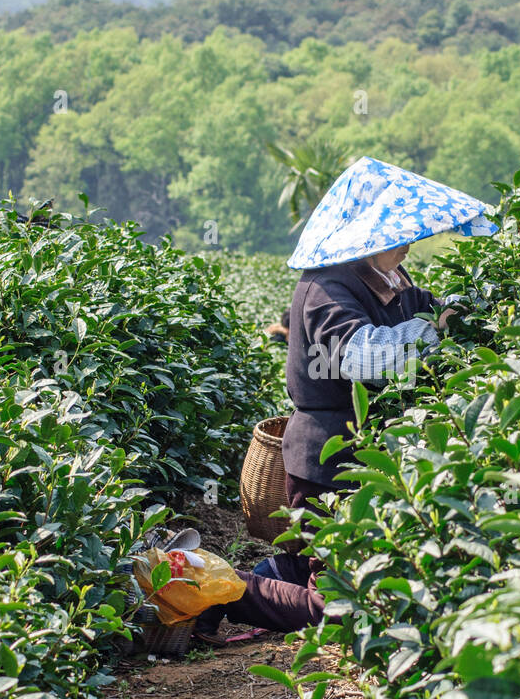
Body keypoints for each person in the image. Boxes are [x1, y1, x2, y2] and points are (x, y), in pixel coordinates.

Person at [194, 156, 495, 641]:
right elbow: (364, 358)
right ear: (365, 235)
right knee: (342, 608)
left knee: (335, 561)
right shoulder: (325, 287)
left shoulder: (391, 282)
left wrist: (463, 314)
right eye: (396, 235)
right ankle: (221, 592)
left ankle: (267, 577)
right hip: (327, 457)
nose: (407, 245)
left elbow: (430, 310)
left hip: (363, 450)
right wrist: (431, 335)